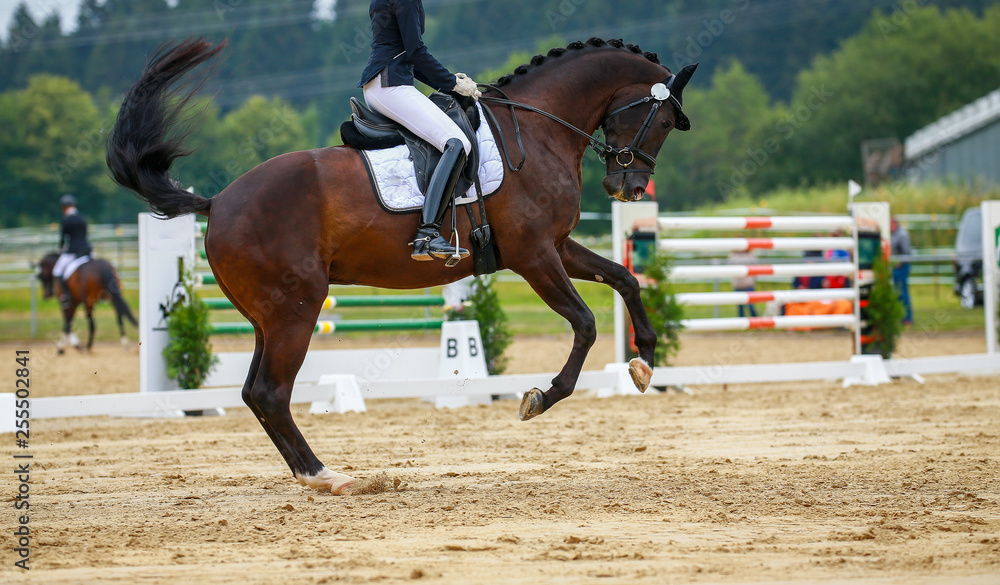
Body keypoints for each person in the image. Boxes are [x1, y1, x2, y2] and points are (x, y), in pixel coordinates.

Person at [357, 0, 482, 263]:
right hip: (390, 84)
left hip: (386, 81)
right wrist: (452, 84)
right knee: (457, 143)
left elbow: (409, 57)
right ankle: (427, 234)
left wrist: (450, 84)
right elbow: (415, 51)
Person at [53, 194, 91, 305]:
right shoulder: (83, 218)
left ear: (63, 207)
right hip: (86, 250)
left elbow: (63, 238)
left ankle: (67, 295)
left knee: (58, 271)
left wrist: (60, 249)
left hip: (73, 251)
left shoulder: (66, 220)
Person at [890, 217, 913, 325]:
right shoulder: (894, 234)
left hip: (902, 267)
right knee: (898, 293)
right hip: (896, 267)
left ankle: (908, 318)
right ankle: (902, 317)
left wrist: (898, 263)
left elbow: (906, 253)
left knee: (903, 292)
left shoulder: (902, 235)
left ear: (894, 223)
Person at [728, 249, 758, 317]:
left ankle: (756, 321)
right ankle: (741, 322)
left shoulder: (750, 254)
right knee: (740, 306)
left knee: (751, 305)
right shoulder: (733, 255)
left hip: (748, 283)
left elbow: (755, 266)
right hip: (738, 283)